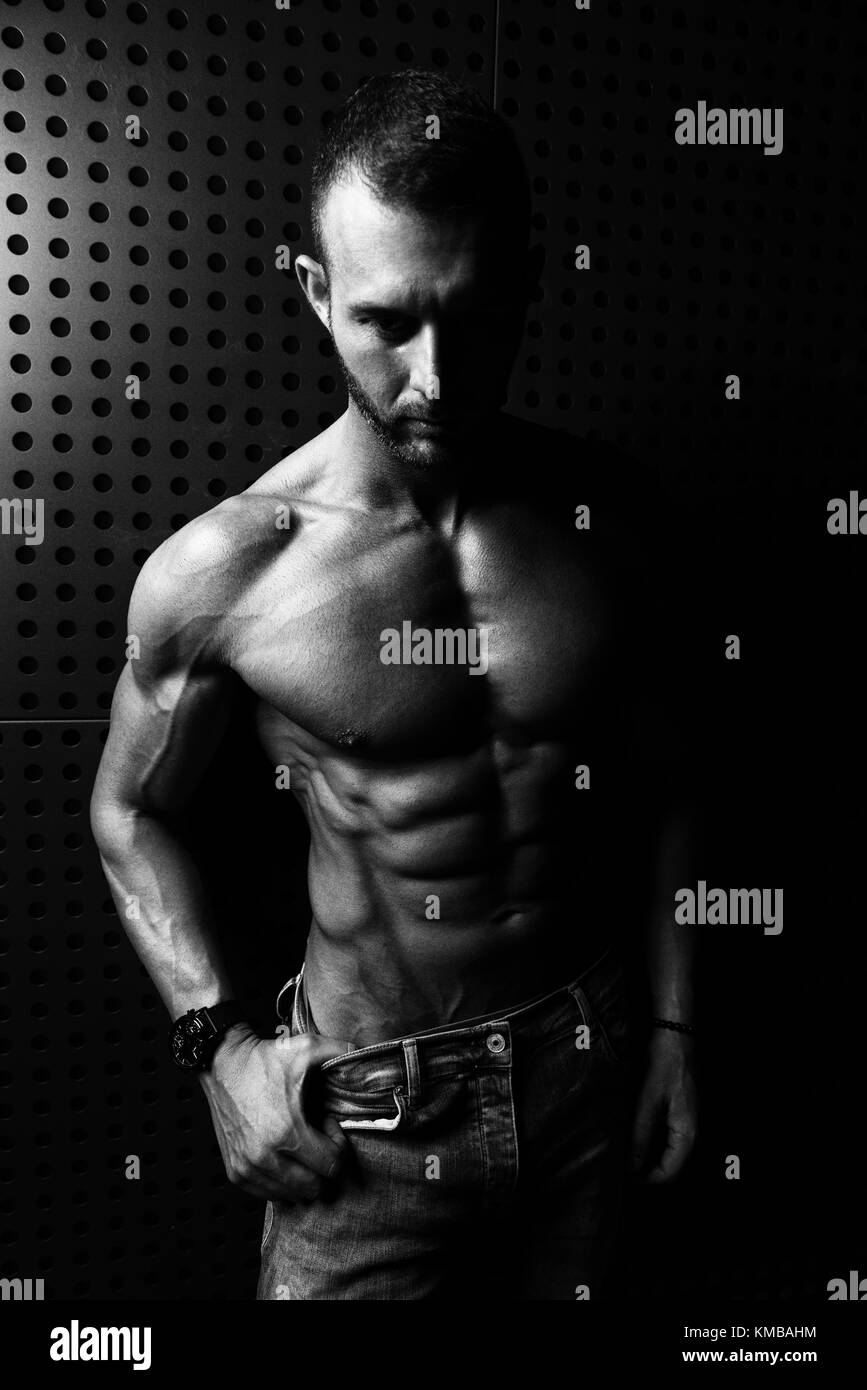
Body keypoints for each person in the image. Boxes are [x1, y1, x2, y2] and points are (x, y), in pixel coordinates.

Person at [90, 69, 698, 1301]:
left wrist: (683, 1027)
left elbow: (674, 780)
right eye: (386, 320)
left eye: (473, 318)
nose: (434, 372)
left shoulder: (614, 525)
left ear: (529, 282)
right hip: (366, 1118)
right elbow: (128, 811)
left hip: (591, 1066)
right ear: (317, 294)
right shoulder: (228, 570)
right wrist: (220, 1054)